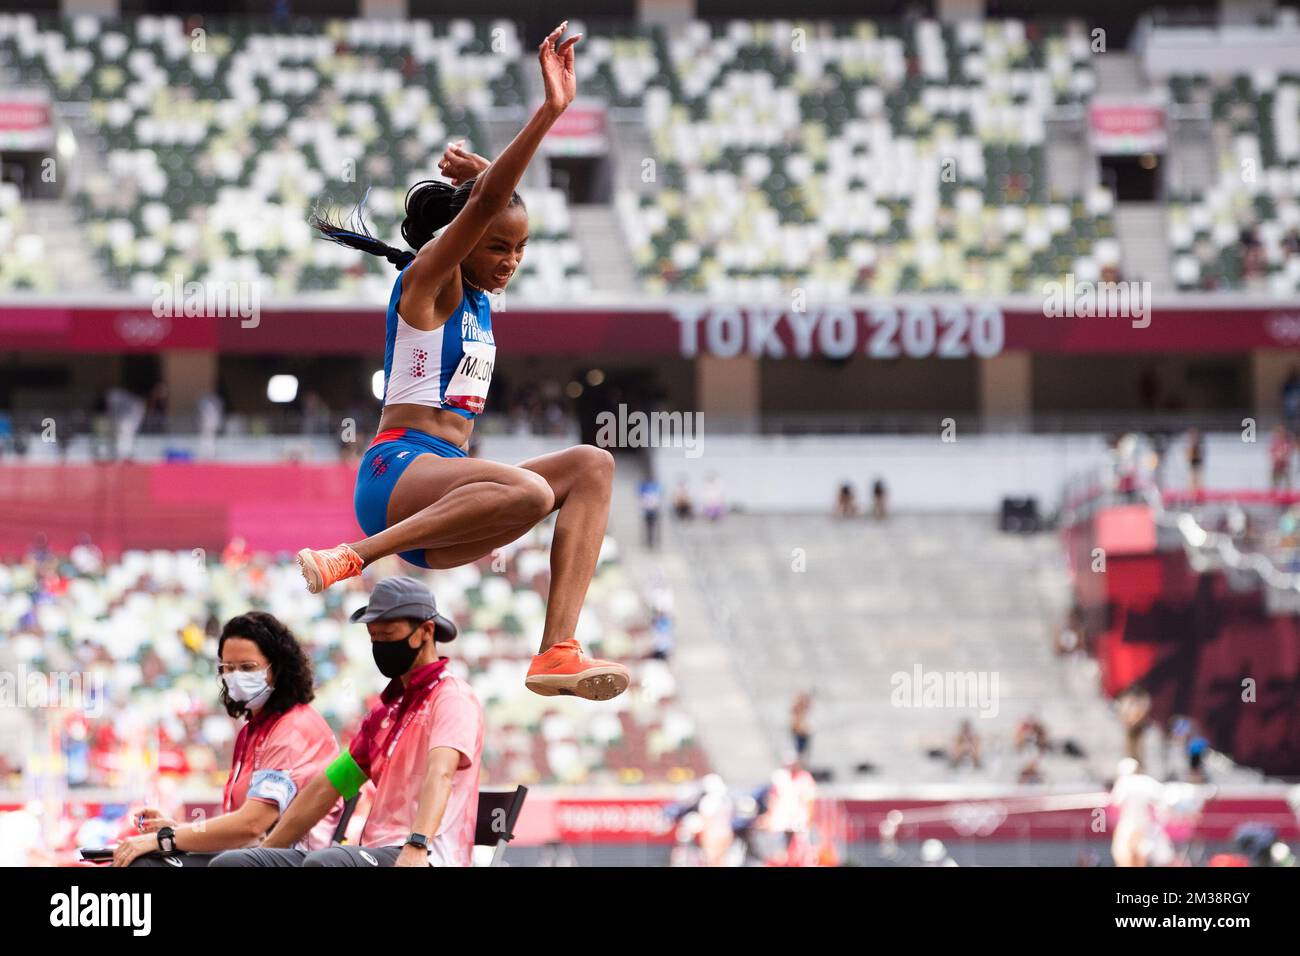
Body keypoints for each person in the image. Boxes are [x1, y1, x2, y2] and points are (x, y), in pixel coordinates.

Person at [291, 23, 627, 702]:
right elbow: (484, 211)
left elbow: (494, 210)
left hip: (446, 505)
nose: (510, 261)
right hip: (394, 479)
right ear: (462, 241)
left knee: (593, 466)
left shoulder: (476, 293)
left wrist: (477, 175)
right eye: (498, 248)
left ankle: (557, 650)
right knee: (532, 493)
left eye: (520, 251)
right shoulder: (428, 283)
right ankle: (352, 556)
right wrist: (548, 115)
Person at [211, 577, 483, 867]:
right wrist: (267, 850)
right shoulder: (386, 712)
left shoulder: (452, 697)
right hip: (377, 852)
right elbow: (328, 787)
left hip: (427, 854)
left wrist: (417, 843)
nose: (379, 644)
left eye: (388, 634)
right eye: (373, 637)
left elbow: (440, 773)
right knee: (234, 864)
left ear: (426, 631)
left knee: (324, 864)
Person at [111, 612, 343, 866]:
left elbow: (252, 824)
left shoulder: (293, 729)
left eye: (247, 667)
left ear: (277, 669)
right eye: (228, 668)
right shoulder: (254, 729)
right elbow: (242, 827)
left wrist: (167, 838)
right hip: (251, 854)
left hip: (294, 858)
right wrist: (178, 830)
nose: (235, 676)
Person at [639, 475, 663, 549]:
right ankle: (650, 541)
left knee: (653, 527)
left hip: (653, 512)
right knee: (649, 528)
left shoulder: (654, 489)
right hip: (648, 512)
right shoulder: (645, 490)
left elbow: (657, 502)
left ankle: (654, 541)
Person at [1270, 425, 1292, 491]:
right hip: (1276, 467)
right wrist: (1276, 456)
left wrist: (1282, 456)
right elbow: (1271, 453)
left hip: (1284, 466)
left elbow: (1288, 452)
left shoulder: (1286, 443)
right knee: (1275, 484)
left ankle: (1288, 494)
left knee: (1287, 484)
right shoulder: (1274, 443)